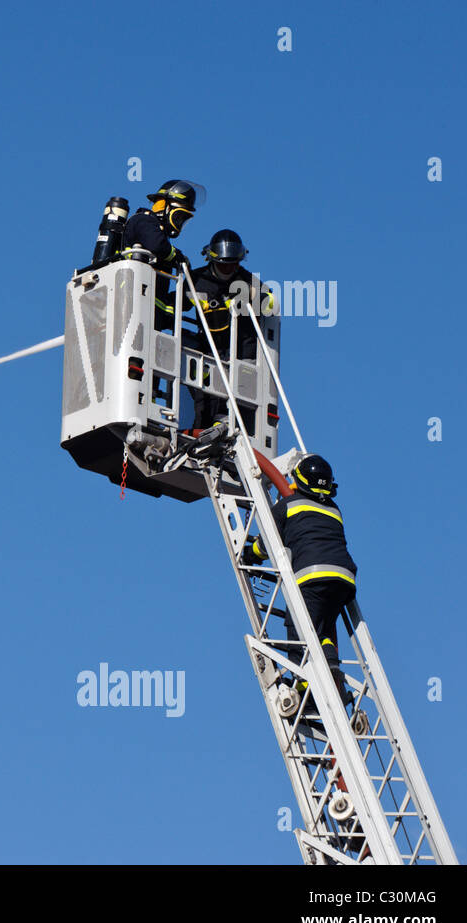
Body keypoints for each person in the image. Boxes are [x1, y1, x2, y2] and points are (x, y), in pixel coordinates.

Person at [243, 454, 357, 711]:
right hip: (343, 581)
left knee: (298, 626)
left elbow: (267, 543)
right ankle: (333, 672)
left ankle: (303, 683)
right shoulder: (334, 510)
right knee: (323, 630)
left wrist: (250, 554)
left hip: (312, 578)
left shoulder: (289, 505)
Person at [186, 229, 276, 431]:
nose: (230, 269)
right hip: (209, 349)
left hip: (241, 351)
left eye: (234, 264)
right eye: (224, 265)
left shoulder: (247, 281)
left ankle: (226, 427)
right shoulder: (196, 280)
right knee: (203, 396)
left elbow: (271, 303)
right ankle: (200, 430)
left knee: (234, 391)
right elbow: (176, 305)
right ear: (212, 260)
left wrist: (252, 298)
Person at [120, 179, 203, 331]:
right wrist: (178, 257)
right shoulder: (142, 221)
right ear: (164, 206)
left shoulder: (160, 244)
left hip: (151, 316)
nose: (179, 223)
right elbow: (157, 245)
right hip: (129, 304)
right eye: (179, 217)